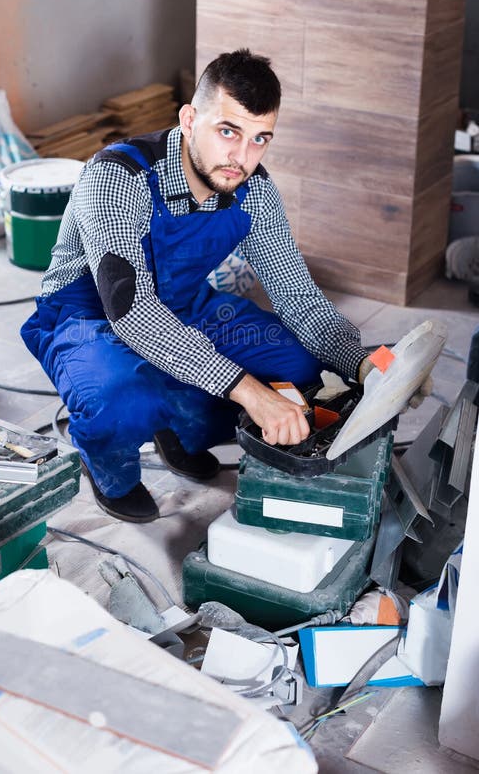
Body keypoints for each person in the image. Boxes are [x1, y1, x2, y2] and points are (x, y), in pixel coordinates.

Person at [21, 48, 373, 523]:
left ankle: (184, 434)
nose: (241, 158)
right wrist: (247, 390)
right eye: (228, 132)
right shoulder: (115, 176)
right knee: (123, 398)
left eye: (259, 139)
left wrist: (361, 361)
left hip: (185, 303)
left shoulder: (255, 192)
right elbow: (132, 311)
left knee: (299, 362)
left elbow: (298, 298)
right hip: (88, 315)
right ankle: (110, 470)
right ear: (189, 119)